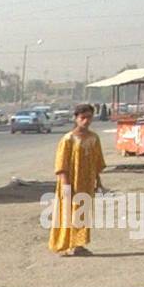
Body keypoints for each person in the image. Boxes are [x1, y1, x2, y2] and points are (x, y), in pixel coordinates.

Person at [49, 103, 106, 256]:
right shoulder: (68, 139)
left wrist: (98, 182)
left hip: (86, 184)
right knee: (67, 213)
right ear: (76, 118)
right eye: (83, 117)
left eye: (89, 117)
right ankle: (65, 245)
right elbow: (61, 165)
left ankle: (79, 245)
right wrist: (67, 186)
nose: (86, 121)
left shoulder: (94, 138)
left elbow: (97, 162)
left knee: (83, 214)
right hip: (70, 183)